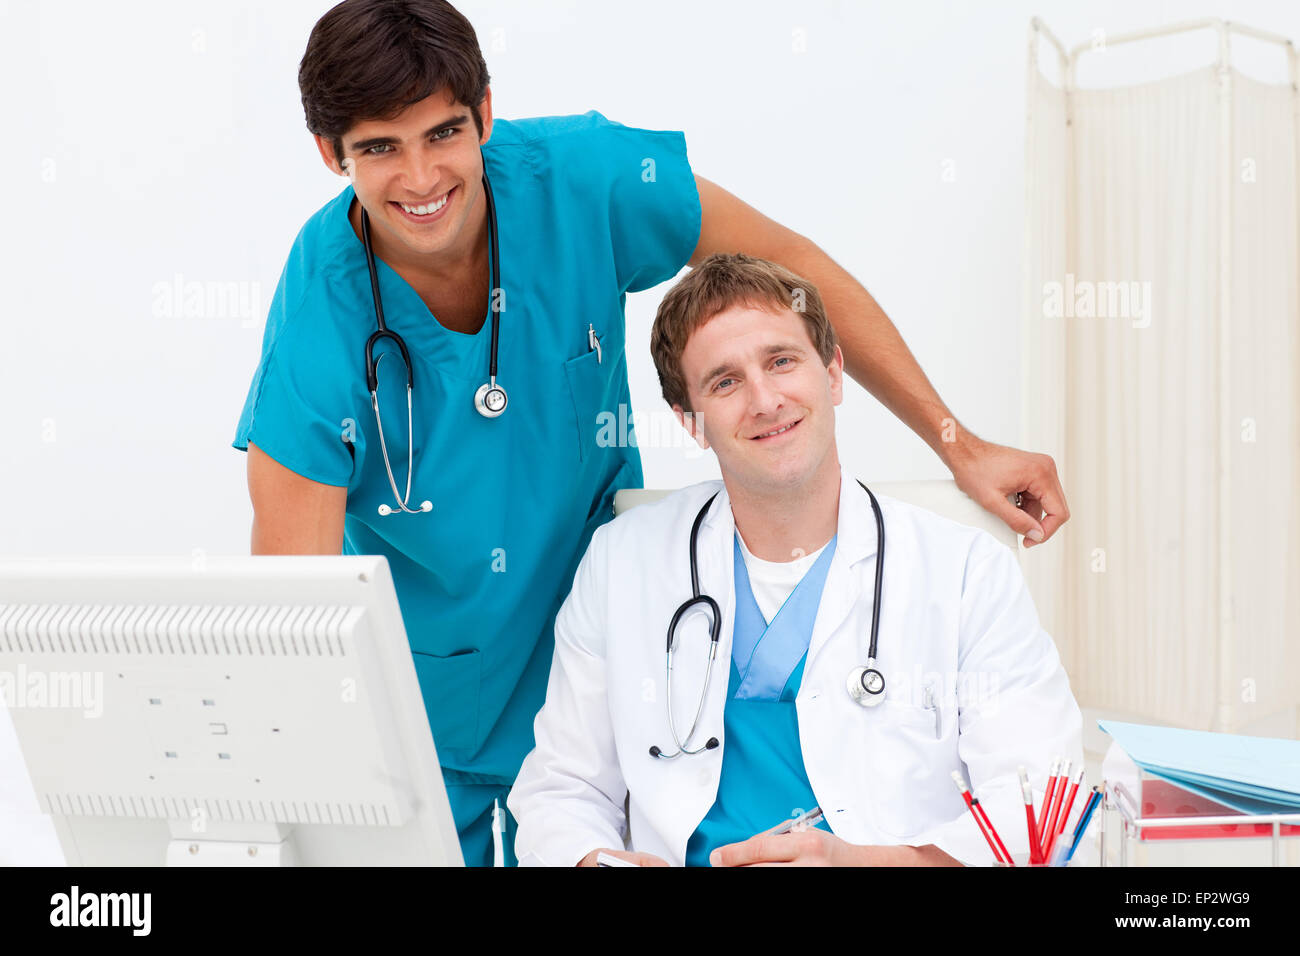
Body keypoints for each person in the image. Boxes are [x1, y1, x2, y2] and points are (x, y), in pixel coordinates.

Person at [234, 0, 1070, 866]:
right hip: (418, 713)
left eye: (443, 133)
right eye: (378, 147)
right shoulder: (319, 315)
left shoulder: (584, 180)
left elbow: (795, 274)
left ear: (484, 112)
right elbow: (298, 611)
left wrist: (957, 443)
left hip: (607, 656)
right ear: (332, 154)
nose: (420, 177)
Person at [508, 254, 1084, 866]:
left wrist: (857, 865)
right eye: (724, 382)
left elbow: (1041, 802)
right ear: (690, 422)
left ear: (834, 374)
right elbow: (561, 790)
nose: (764, 400)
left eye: (781, 361)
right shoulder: (622, 563)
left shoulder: (964, 572)